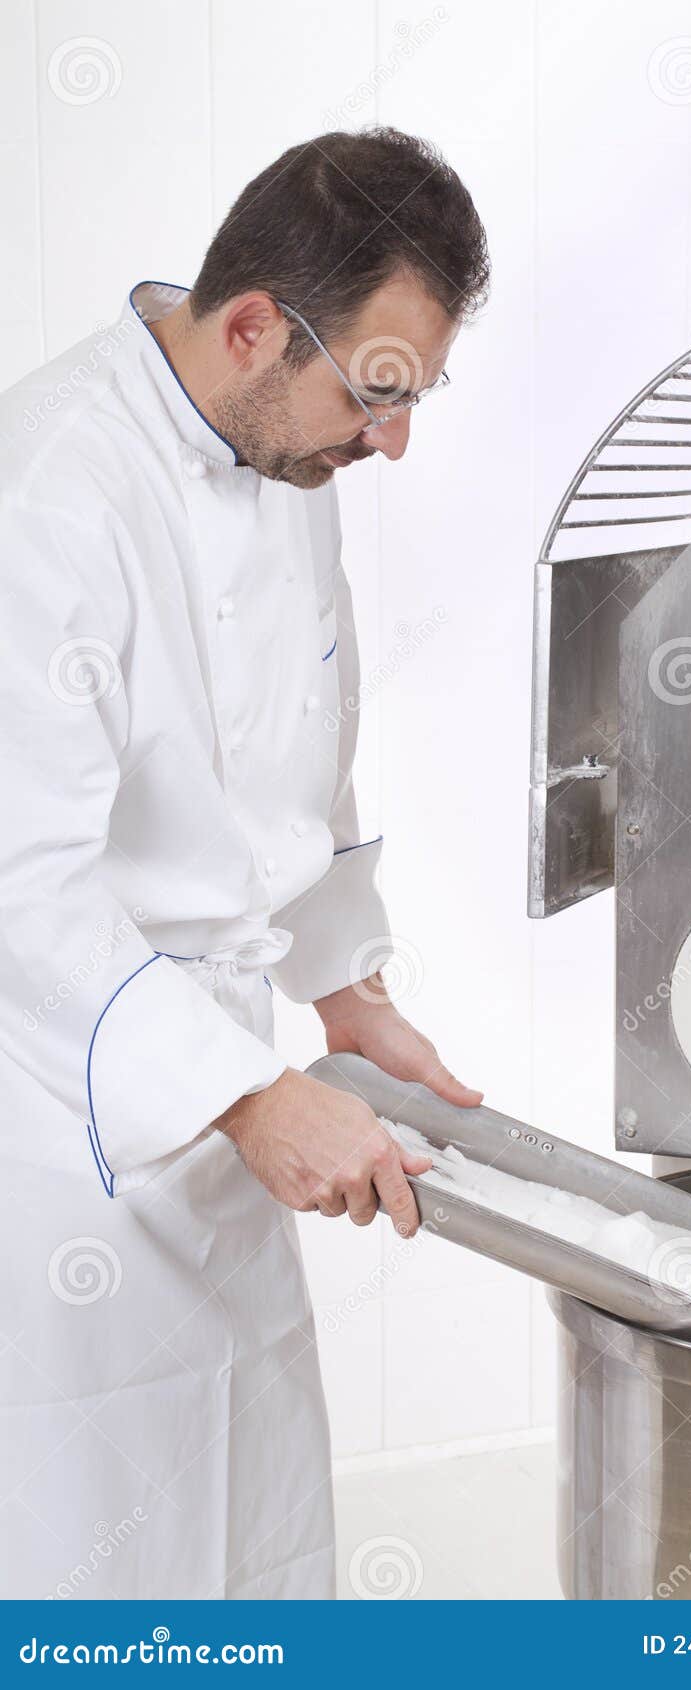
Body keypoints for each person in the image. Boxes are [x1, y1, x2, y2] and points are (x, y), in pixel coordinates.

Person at [0, 128, 489, 1600]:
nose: (393, 439)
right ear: (257, 326)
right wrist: (235, 1092)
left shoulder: (288, 449)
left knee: (254, 1546)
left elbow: (300, 754)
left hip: (228, 1085)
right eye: (382, 391)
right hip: (60, 1126)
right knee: (90, 1563)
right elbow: (21, 880)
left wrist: (345, 994)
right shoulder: (52, 490)